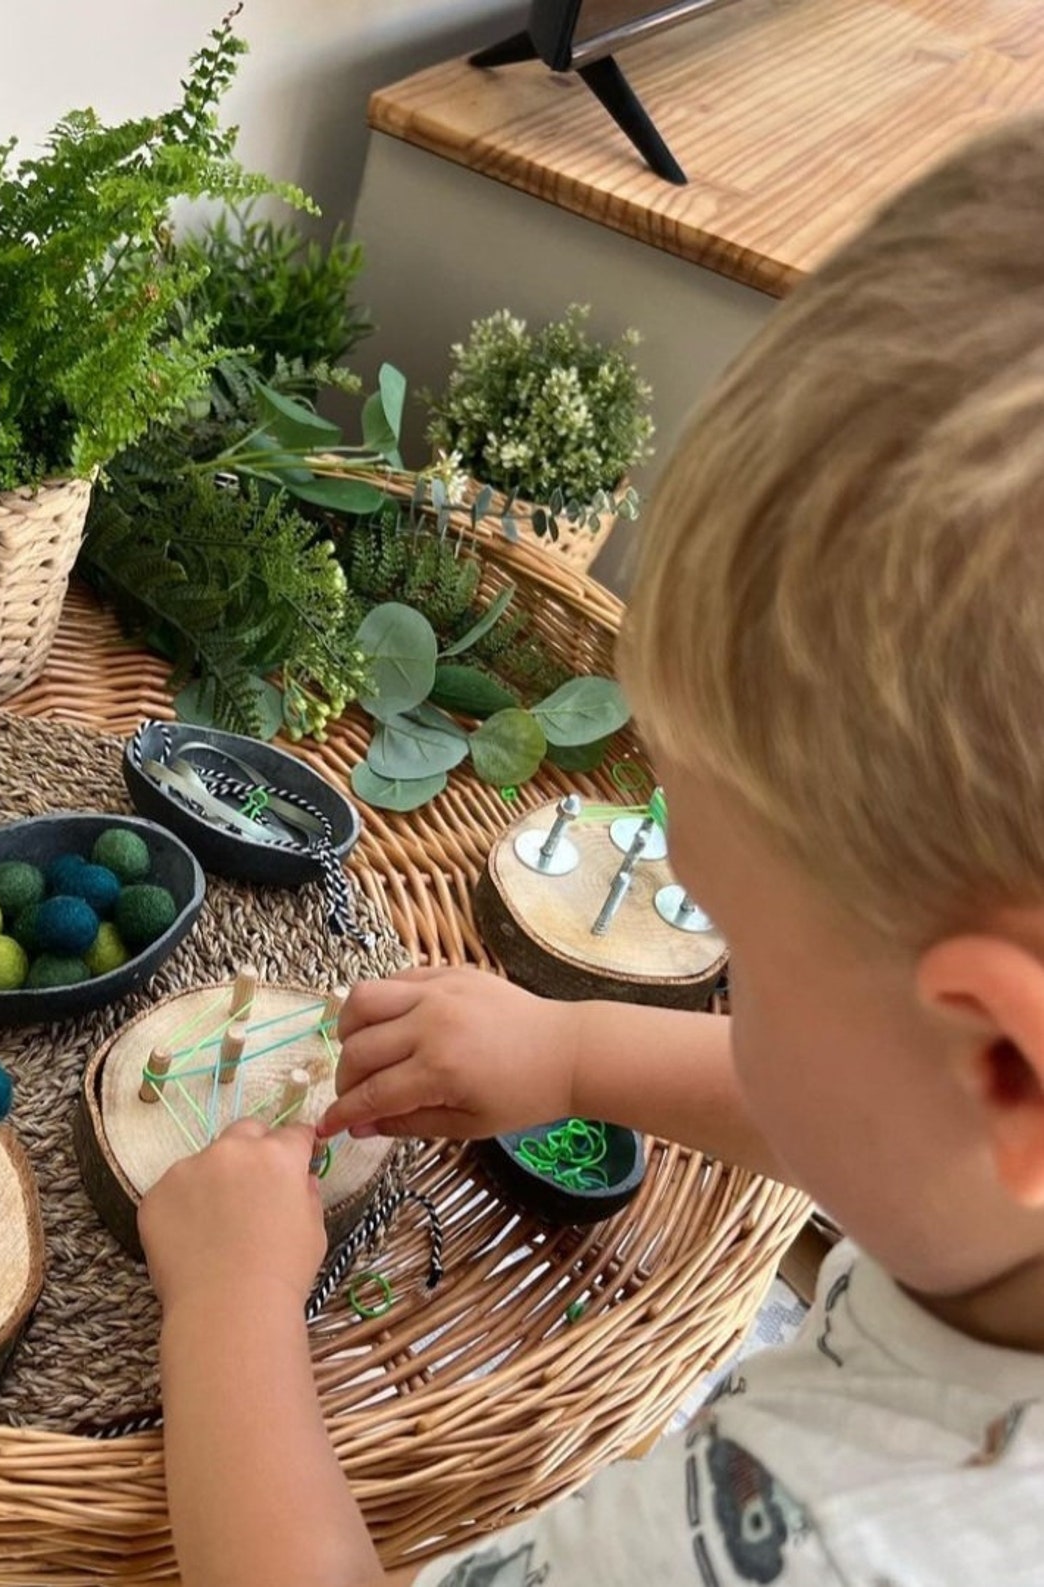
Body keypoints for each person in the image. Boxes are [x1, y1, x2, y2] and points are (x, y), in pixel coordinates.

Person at [136, 113, 1044, 1587]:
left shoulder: (795, 1551)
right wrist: (574, 1061)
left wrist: (229, 1309)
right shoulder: (990, 1195)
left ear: (1006, 1056)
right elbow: (904, 1116)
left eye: (738, 960)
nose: (727, 1000)